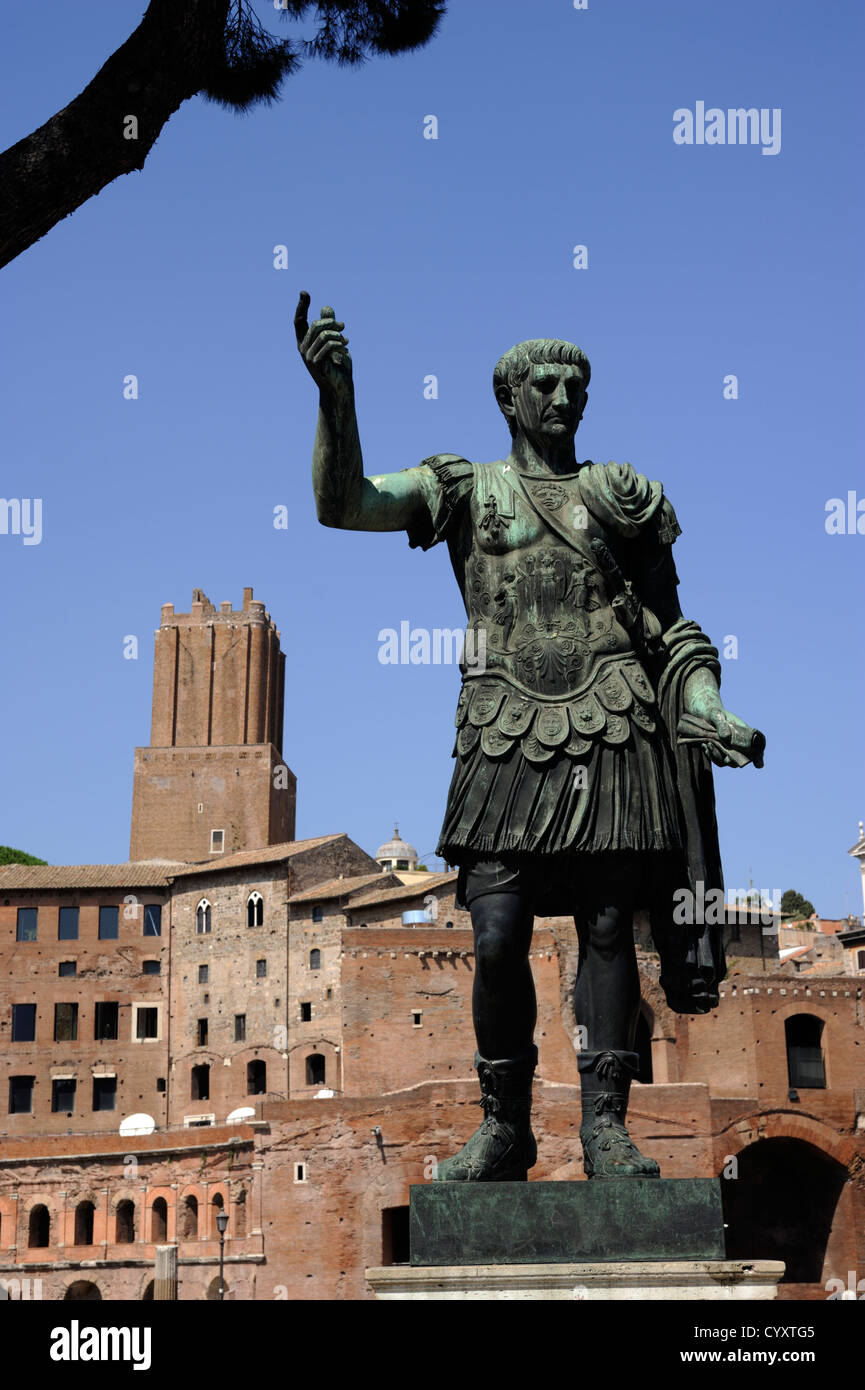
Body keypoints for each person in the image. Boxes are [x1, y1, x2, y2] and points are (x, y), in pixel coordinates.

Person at [295, 292, 765, 1181]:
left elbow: (674, 628)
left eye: (574, 383)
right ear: (508, 399)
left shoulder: (621, 497)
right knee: (497, 932)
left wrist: (706, 704)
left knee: (600, 930)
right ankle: (504, 1123)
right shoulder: (467, 489)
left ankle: (604, 1125)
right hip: (503, 729)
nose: (562, 395)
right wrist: (336, 397)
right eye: (543, 382)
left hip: (613, 720)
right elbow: (344, 503)